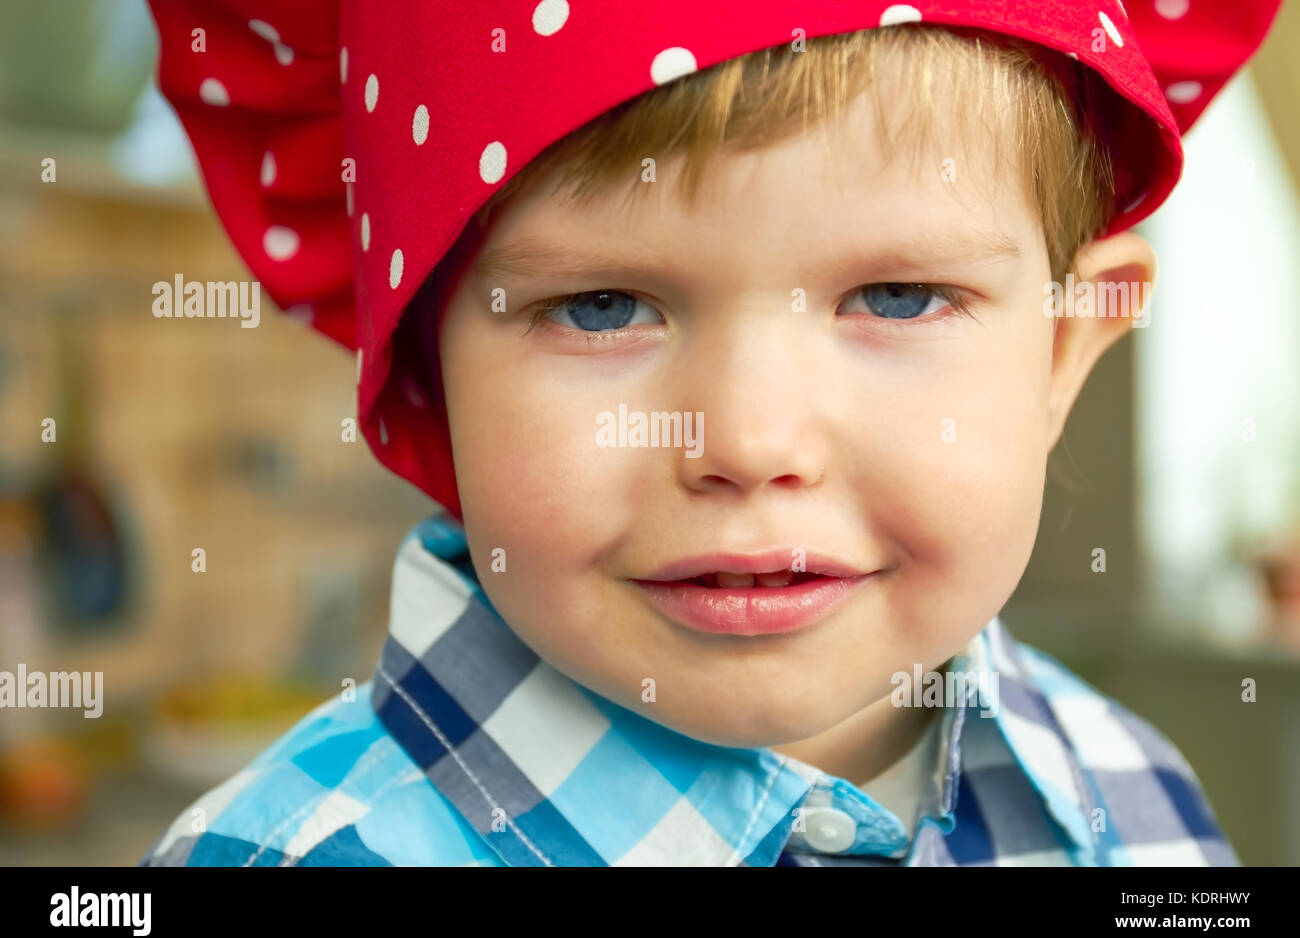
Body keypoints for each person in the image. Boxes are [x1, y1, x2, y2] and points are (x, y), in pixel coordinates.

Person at [138, 0, 1281, 866]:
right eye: (600, 307)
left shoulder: (1141, 813)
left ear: (1063, 351)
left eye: (894, 296)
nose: (746, 436)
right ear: (429, 371)